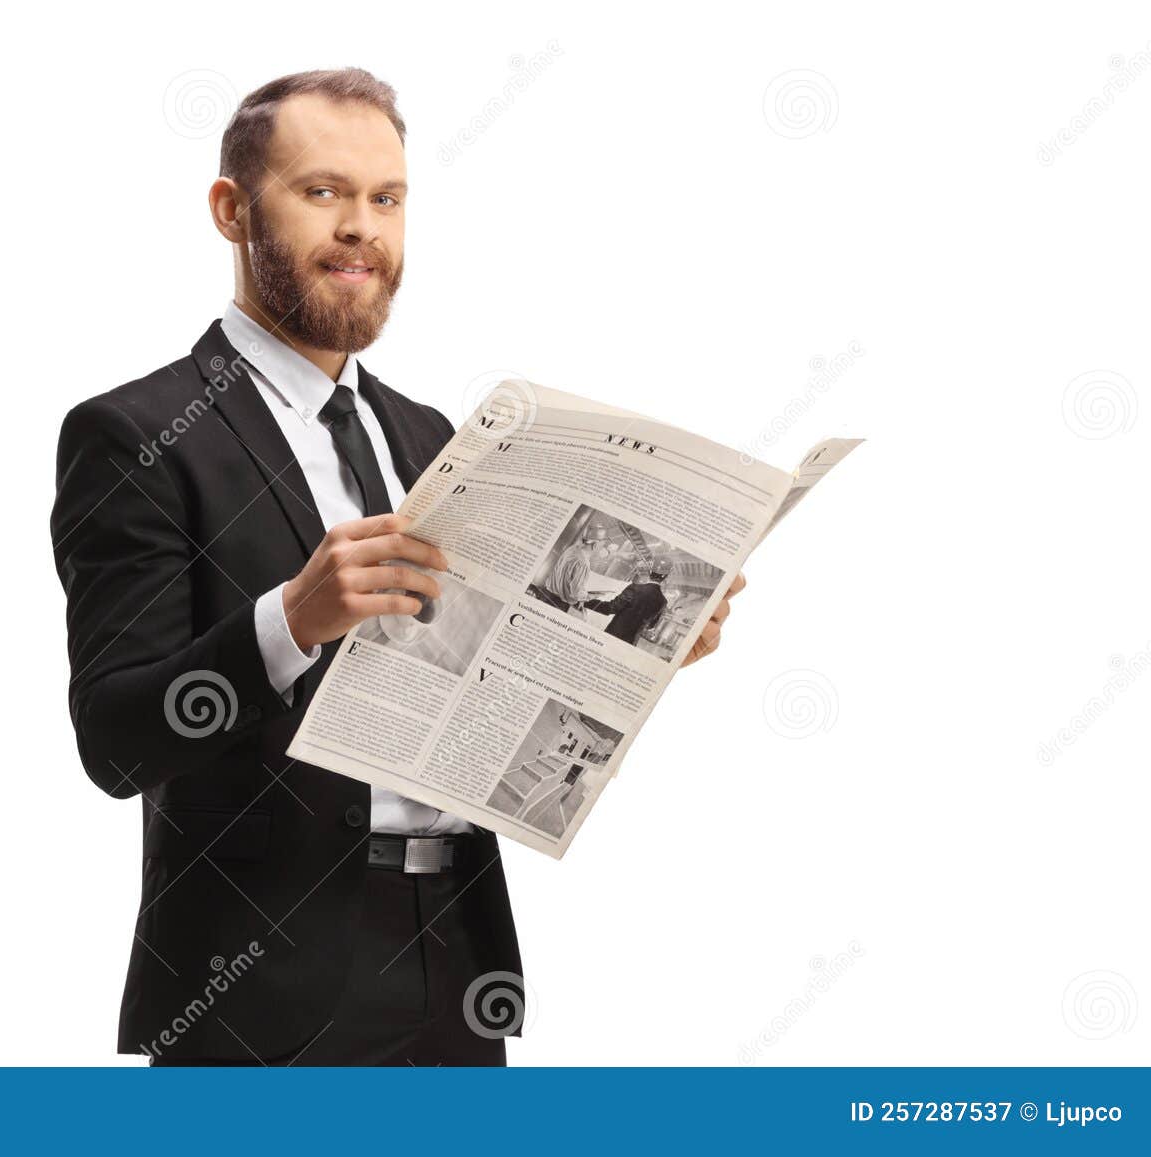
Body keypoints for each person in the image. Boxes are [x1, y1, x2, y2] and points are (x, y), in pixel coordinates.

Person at [48, 68, 744, 1066]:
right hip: (255, 988)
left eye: (387, 198)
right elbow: (114, 739)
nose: (360, 228)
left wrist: (635, 647)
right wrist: (290, 618)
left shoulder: (433, 438)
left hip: (457, 967)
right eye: (322, 192)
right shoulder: (139, 435)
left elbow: (484, 683)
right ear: (231, 209)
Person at [587, 557, 672, 645]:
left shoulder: (634, 588)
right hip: (631, 642)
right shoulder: (663, 602)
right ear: (665, 576)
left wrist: (586, 601)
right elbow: (651, 626)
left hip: (613, 635)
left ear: (650, 571)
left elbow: (610, 608)